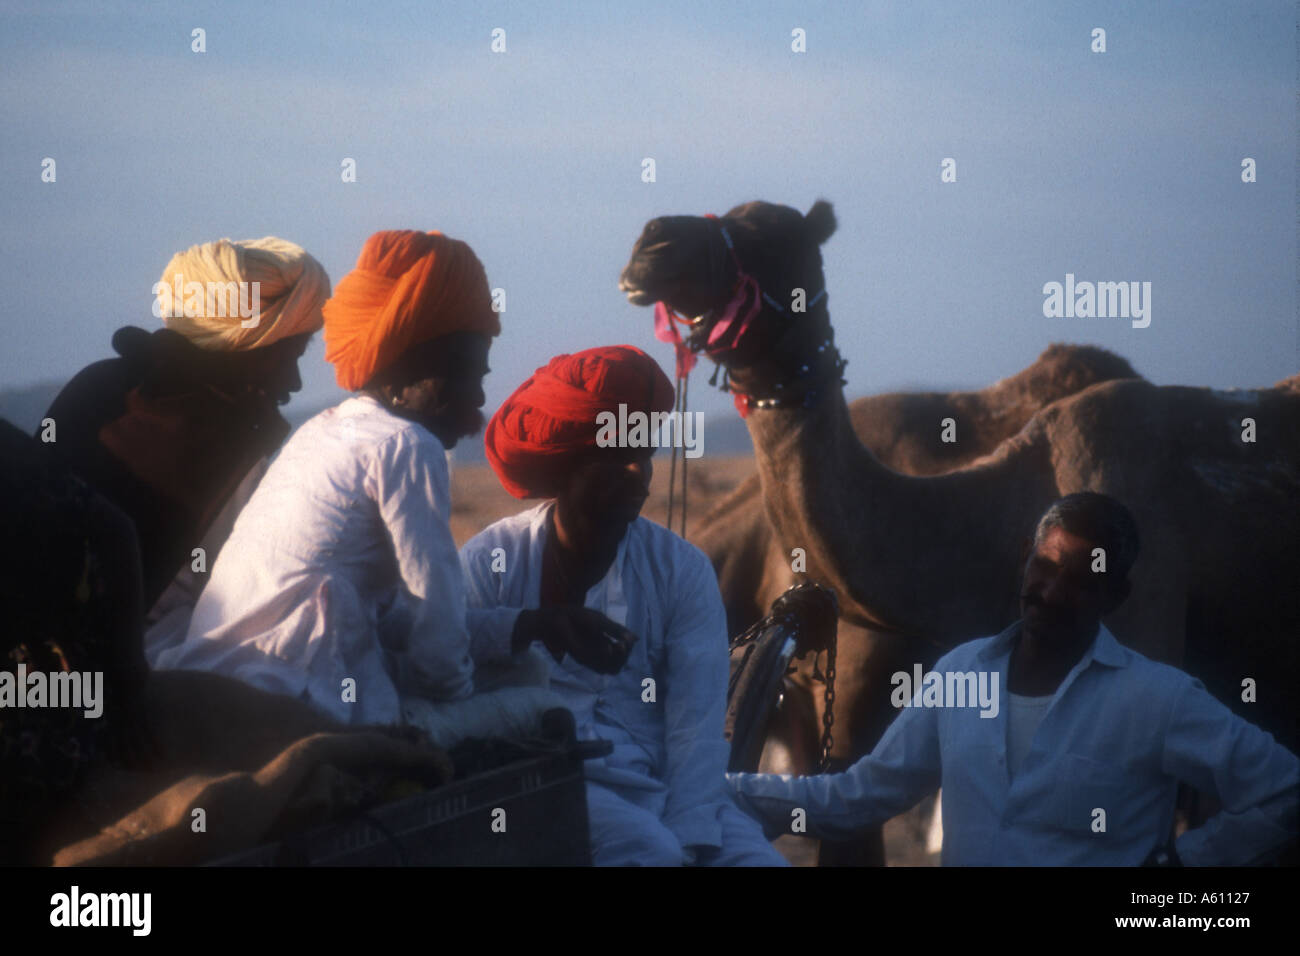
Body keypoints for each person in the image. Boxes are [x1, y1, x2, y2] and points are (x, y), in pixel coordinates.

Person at [728, 492, 1300, 865]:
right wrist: (720, 790)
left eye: (1078, 581)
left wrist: (1183, 864)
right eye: (1045, 568)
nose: (1051, 592)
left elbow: (1284, 789)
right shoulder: (958, 675)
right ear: (1026, 558)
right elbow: (858, 798)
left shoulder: (1156, 699)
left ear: (1115, 596)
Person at [155, 230, 559, 744]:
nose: (477, 398)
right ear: (420, 365)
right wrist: (451, 706)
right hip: (299, 702)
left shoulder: (323, 432)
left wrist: (527, 626)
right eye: (467, 374)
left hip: (222, 680)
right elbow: (436, 630)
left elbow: (393, 615)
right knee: (539, 694)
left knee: (518, 669)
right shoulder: (408, 445)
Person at [461, 345, 789, 866]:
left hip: (665, 787)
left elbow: (695, 730)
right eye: (617, 454)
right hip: (546, 788)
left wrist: (693, 840)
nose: (639, 470)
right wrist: (529, 627)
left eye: (645, 449)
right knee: (644, 851)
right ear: (568, 464)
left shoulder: (681, 570)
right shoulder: (492, 561)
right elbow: (443, 656)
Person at [38, 237, 329, 624]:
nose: (294, 383)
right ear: (246, 348)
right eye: (290, 356)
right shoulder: (229, 441)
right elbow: (229, 597)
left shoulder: (101, 380)